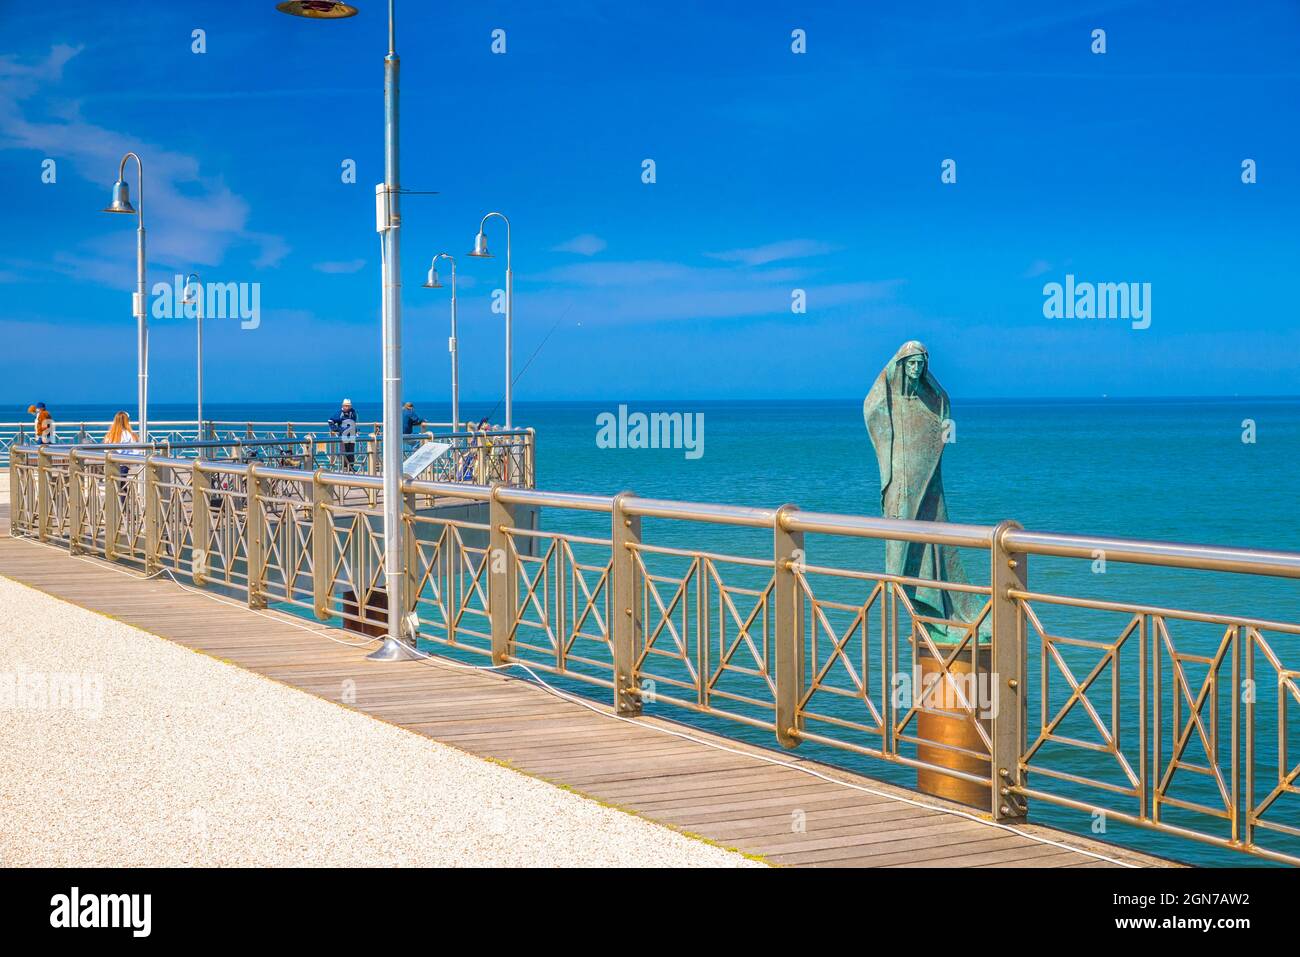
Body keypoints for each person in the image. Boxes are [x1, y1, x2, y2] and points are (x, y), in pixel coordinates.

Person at [328, 398, 359, 471]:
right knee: (344, 452)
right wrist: (338, 429)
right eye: (346, 406)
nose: (347, 407)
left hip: (351, 436)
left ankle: (350, 467)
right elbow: (330, 421)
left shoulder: (353, 413)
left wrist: (355, 429)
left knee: (351, 452)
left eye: (348, 406)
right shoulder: (339, 413)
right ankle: (345, 468)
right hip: (343, 436)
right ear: (343, 405)